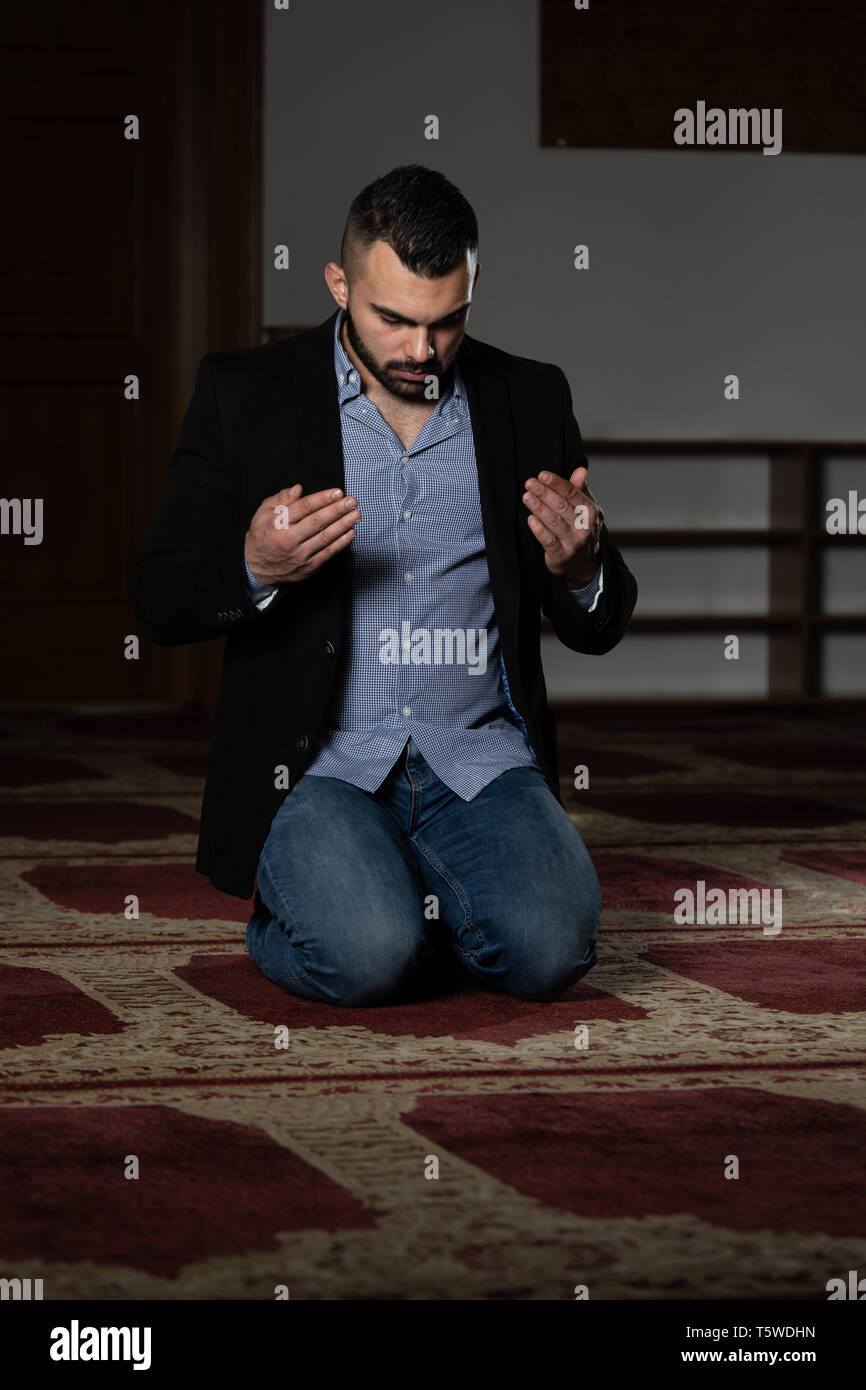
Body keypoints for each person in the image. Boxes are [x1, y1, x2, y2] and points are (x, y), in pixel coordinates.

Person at [130, 164, 637, 1008]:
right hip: (320, 766)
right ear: (339, 284)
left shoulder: (529, 396)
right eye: (393, 319)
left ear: (472, 292)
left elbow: (597, 622)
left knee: (554, 954)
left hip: (479, 756)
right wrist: (255, 567)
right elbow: (157, 596)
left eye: (447, 323)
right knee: (366, 960)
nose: (420, 351)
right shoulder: (245, 394)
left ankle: (408, 904)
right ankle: (338, 915)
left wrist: (582, 568)